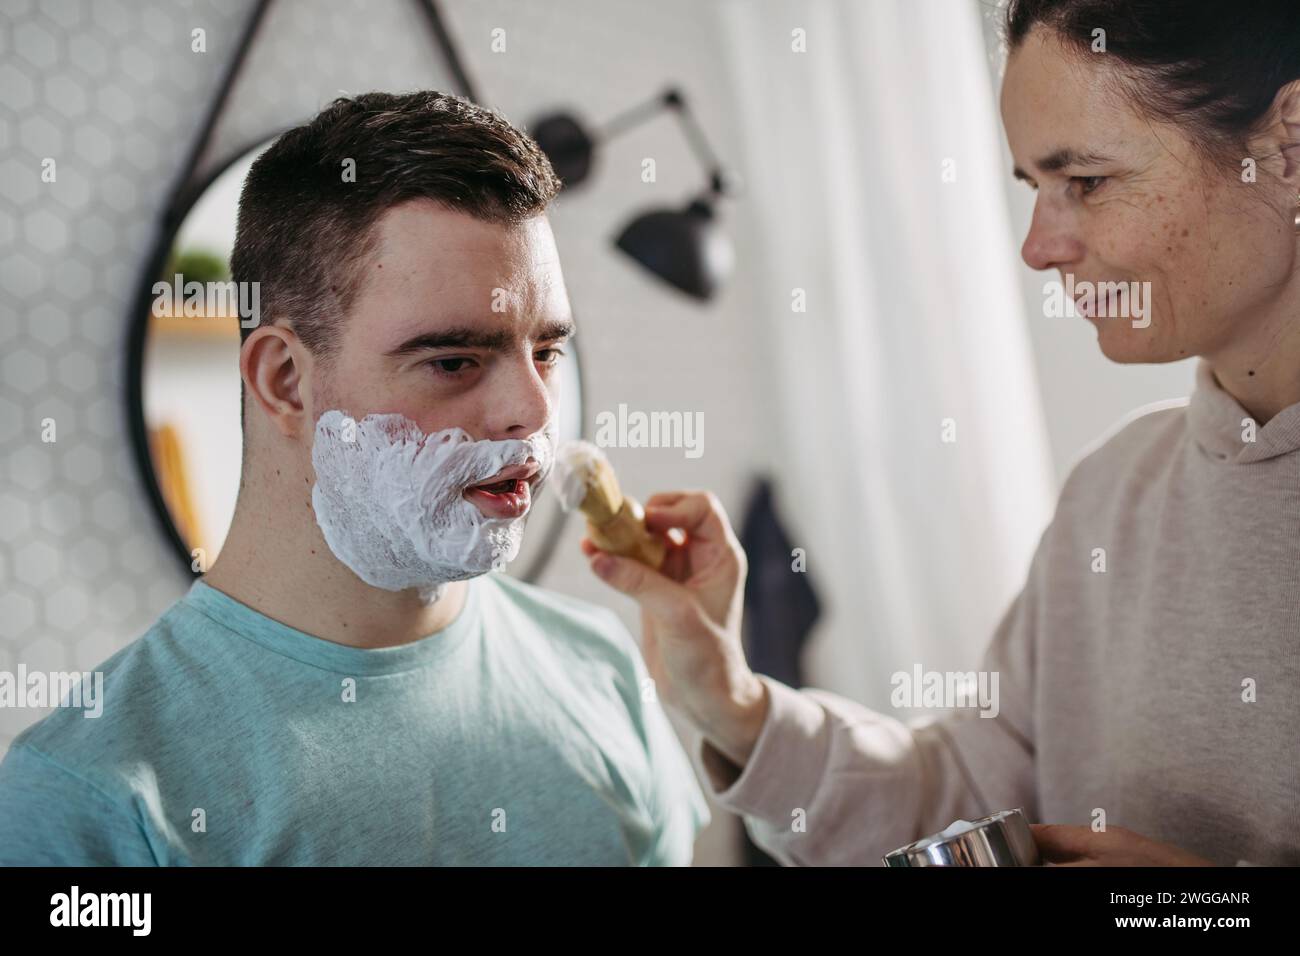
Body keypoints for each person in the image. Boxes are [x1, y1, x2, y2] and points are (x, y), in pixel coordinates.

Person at [582, 0, 1300, 866]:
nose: (1037, 247)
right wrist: (735, 705)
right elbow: (964, 792)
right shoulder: (1111, 494)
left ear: (1286, 146)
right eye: (1034, 187)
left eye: (1090, 182)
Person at [0, 92, 709, 866]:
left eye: (545, 350)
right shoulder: (90, 796)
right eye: (453, 360)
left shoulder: (600, 667)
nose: (534, 410)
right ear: (284, 381)